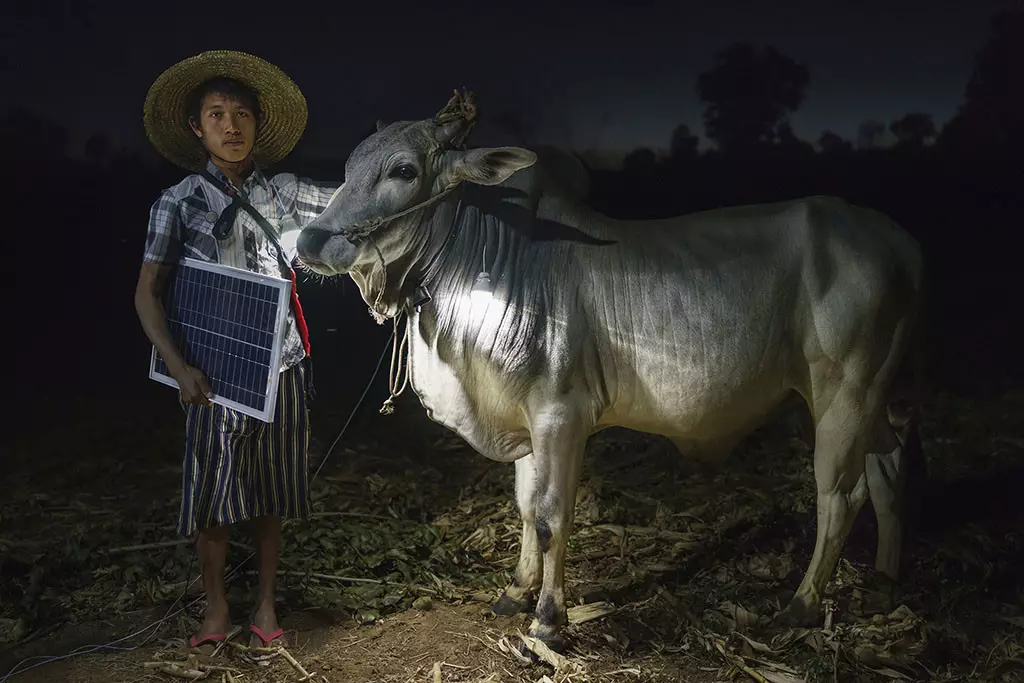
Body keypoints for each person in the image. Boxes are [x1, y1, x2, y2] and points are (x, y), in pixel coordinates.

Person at [134, 50, 339, 655]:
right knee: (214, 499)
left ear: (257, 124)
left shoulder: (287, 193)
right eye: (217, 114)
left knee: (272, 493)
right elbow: (147, 294)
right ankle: (217, 607)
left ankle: (268, 602)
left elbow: (356, 205)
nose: (232, 125)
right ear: (197, 128)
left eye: (242, 113)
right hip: (212, 376)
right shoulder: (178, 202)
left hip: (283, 367)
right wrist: (177, 366)